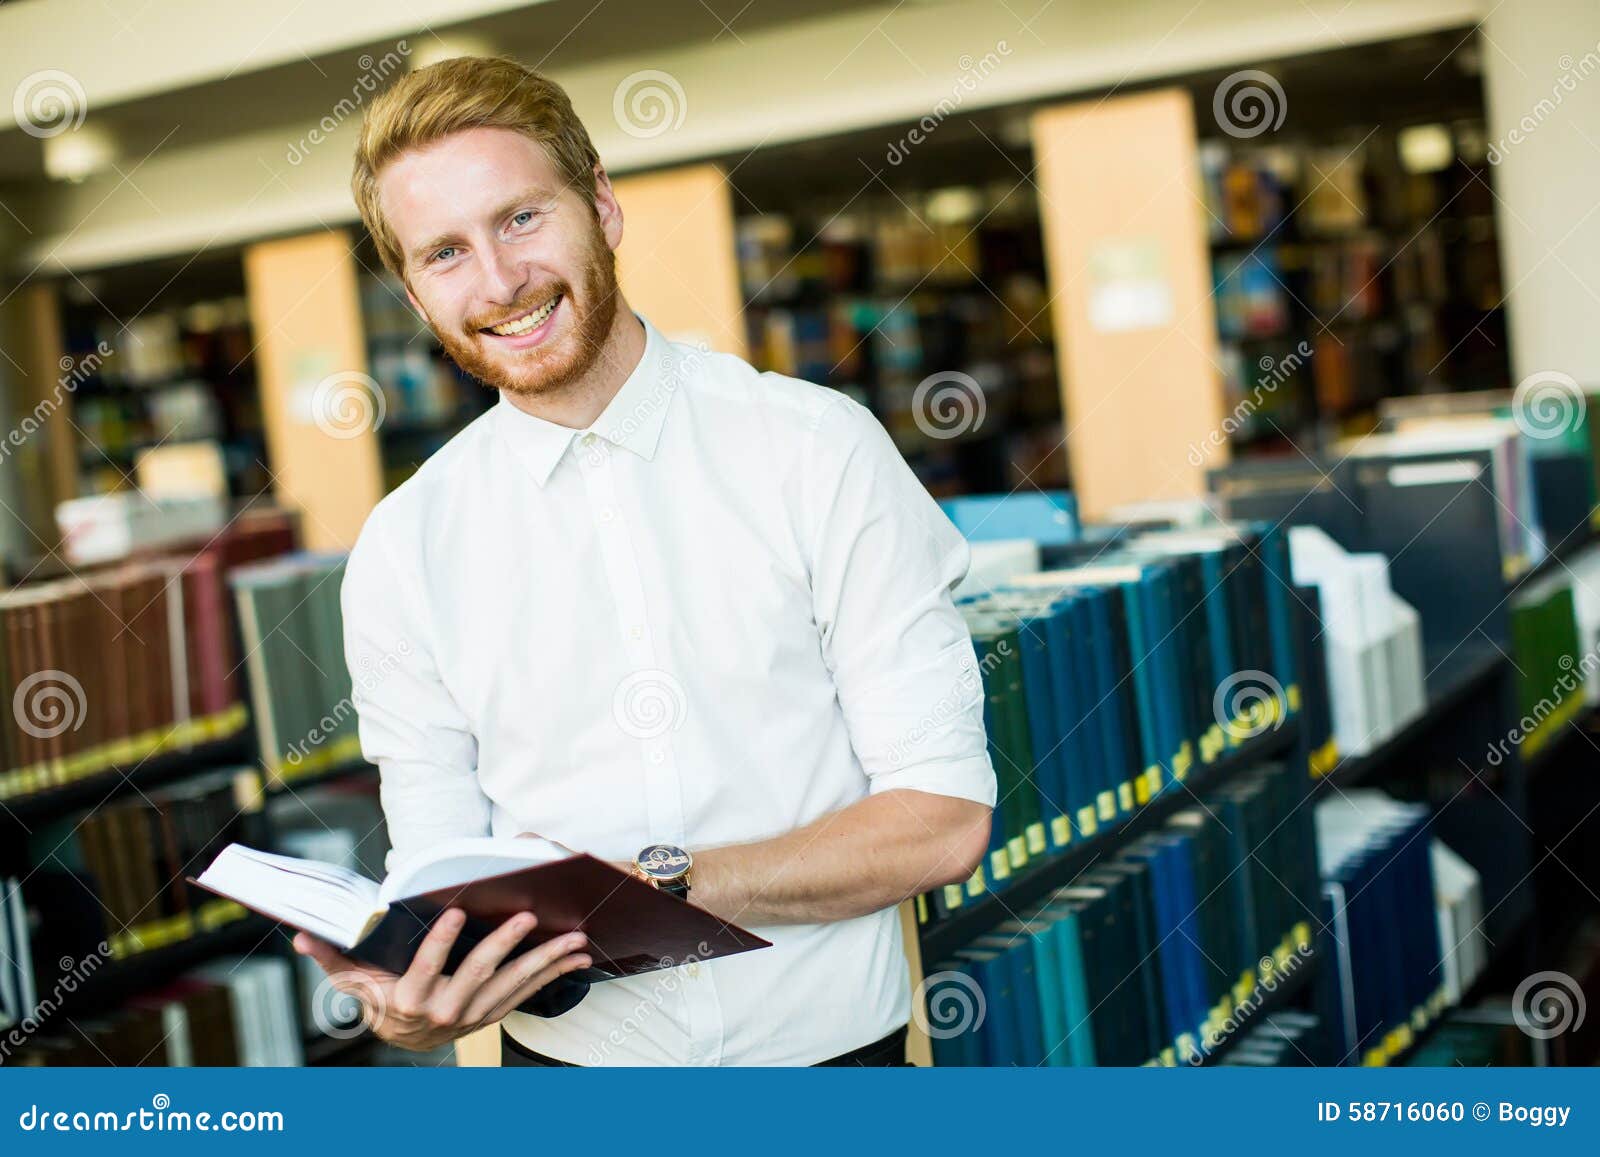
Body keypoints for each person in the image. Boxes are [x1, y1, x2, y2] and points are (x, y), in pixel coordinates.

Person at [293, 54, 995, 1067]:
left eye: (521, 218)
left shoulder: (815, 448)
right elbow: (439, 872)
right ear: (412, 290)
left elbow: (940, 822)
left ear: (602, 206)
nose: (499, 281)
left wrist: (661, 884)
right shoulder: (404, 549)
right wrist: (414, 1000)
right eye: (445, 252)